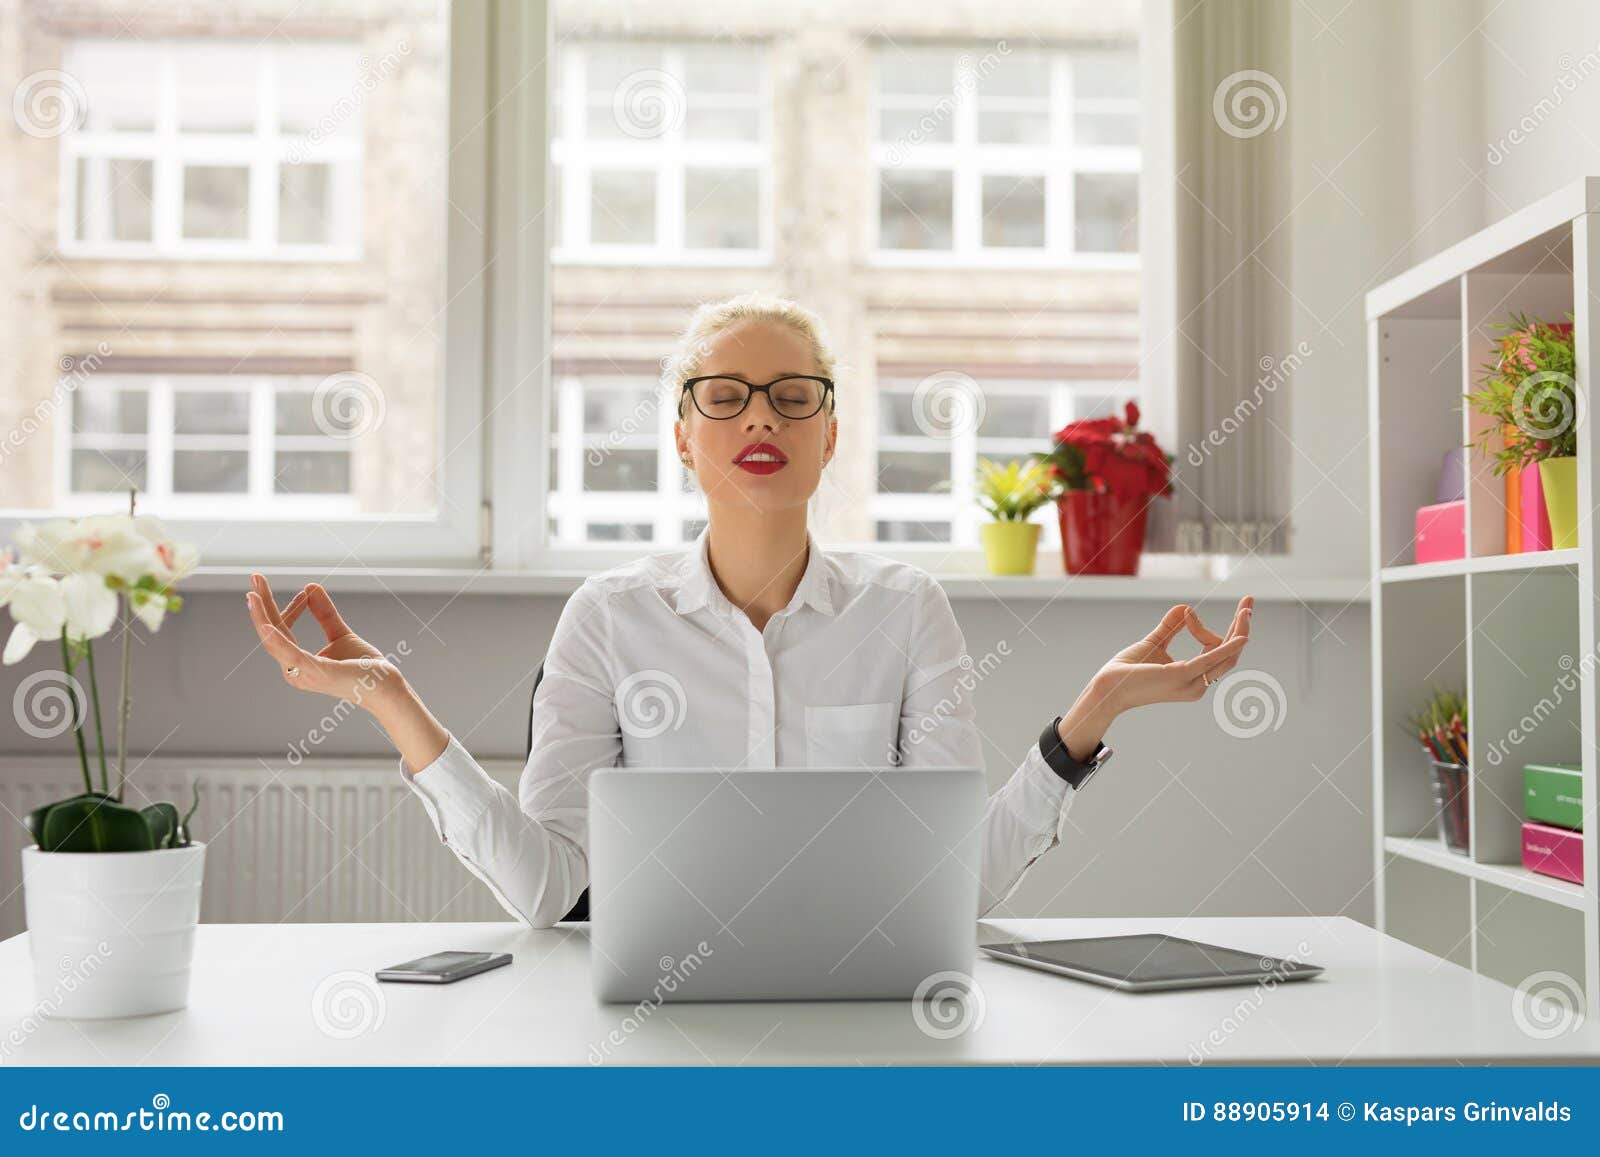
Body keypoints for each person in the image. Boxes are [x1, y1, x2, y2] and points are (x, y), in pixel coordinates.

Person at [244, 292, 1253, 928]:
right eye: (723, 395)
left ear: (830, 435)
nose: (760, 414)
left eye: (791, 395)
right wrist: (390, 701)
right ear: (682, 438)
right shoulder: (606, 617)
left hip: (868, 1015)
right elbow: (548, 891)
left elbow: (956, 887)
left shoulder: (906, 610)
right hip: (654, 1021)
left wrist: (1089, 719)